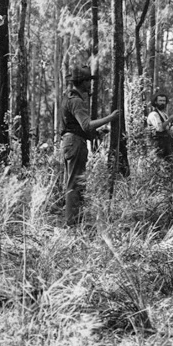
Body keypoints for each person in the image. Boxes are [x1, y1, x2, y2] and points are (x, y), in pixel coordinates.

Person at [61, 65, 120, 226]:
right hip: (74, 143)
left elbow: (78, 126)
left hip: (72, 141)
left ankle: (75, 221)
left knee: (75, 183)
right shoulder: (76, 101)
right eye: (88, 81)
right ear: (82, 82)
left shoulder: (69, 98)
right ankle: (72, 223)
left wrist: (97, 133)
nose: (90, 85)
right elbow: (86, 125)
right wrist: (110, 118)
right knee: (75, 184)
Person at [146, 92, 173, 164]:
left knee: (168, 162)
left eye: (164, 101)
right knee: (158, 162)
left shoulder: (164, 115)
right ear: (155, 102)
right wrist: (169, 119)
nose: (162, 103)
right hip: (157, 143)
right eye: (160, 101)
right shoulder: (153, 114)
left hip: (166, 143)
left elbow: (167, 128)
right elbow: (159, 128)